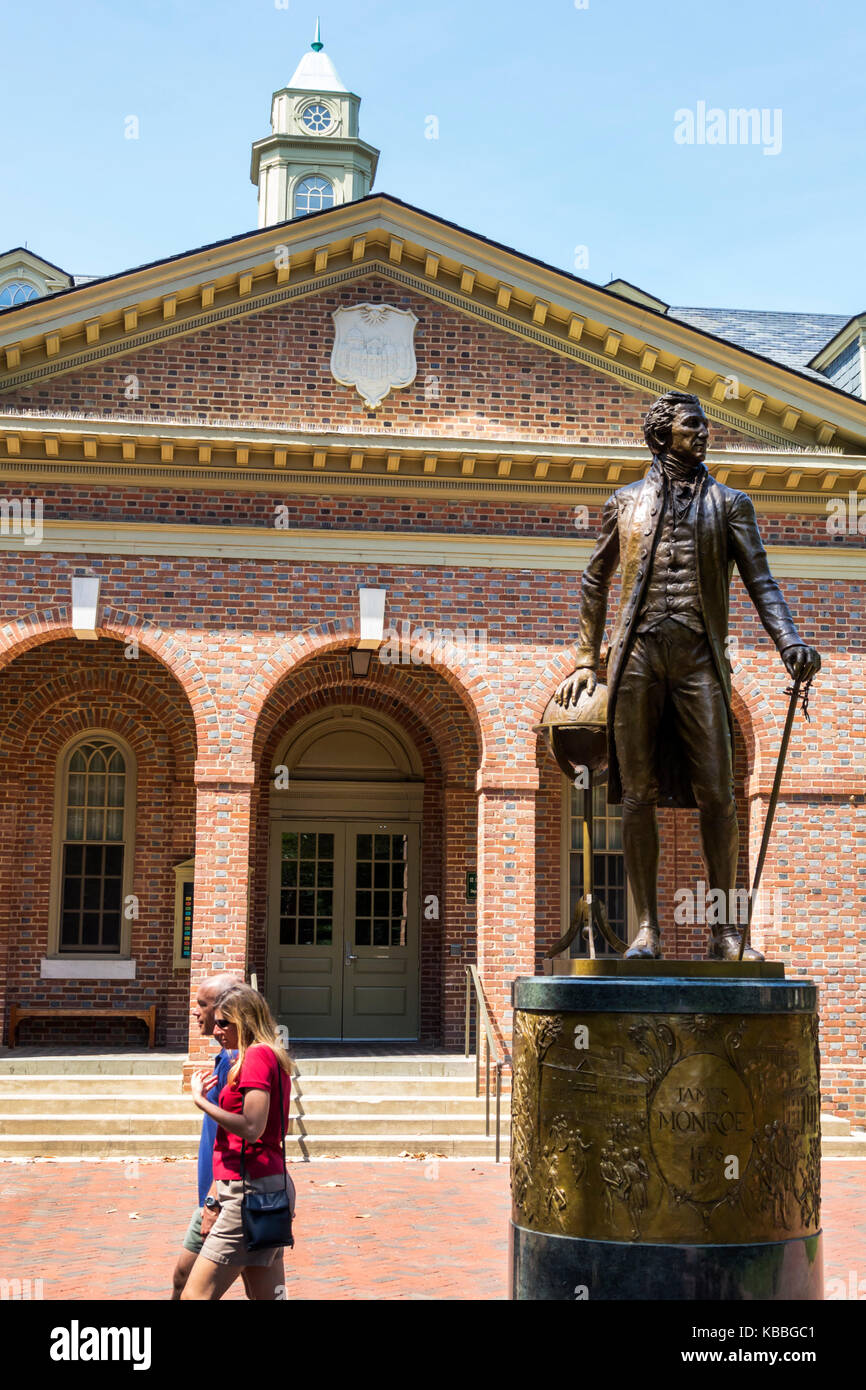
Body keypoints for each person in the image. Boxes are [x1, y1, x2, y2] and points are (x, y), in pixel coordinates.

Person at [555, 391, 821, 961]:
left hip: (699, 657)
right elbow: (595, 578)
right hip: (639, 656)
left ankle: (725, 932)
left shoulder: (731, 504)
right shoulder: (624, 502)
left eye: (704, 426)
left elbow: (762, 581)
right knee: (636, 794)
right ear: (662, 435)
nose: (704, 434)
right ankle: (647, 929)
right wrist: (584, 659)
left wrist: (789, 641)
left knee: (718, 792)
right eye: (692, 425)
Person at [181, 984, 294, 1301]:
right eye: (216, 1022)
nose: (216, 1030)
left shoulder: (256, 1057)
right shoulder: (265, 1055)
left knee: (195, 1296)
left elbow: (252, 1127)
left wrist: (201, 1101)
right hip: (264, 1184)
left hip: (249, 1192)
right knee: (268, 1297)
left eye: (224, 1023)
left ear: (246, 1021)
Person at [170, 972, 239, 1299]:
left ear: (225, 1009)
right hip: (221, 1194)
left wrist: (212, 1201)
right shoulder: (227, 1056)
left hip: (225, 1196)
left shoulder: (237, 1062)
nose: (195, 1011)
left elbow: (239, 1138)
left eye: (202, 1004)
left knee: (187, 1284)